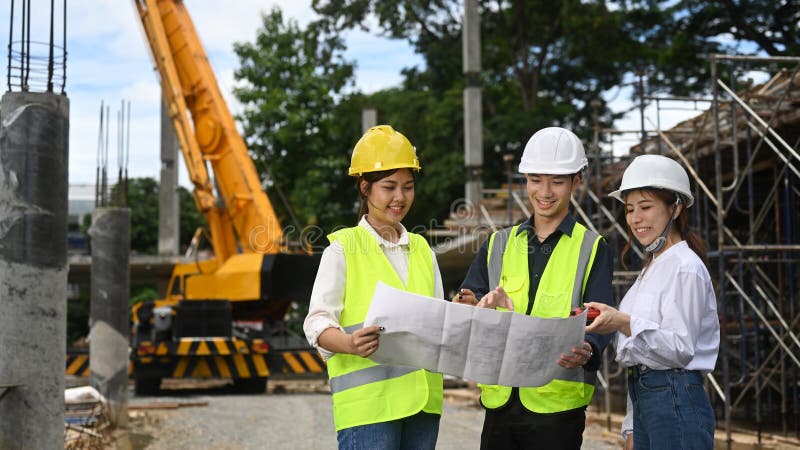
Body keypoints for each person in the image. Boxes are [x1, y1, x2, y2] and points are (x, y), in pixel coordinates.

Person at [455, 127, 615, 450]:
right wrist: (468, 304)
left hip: (557, 409)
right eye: (535, 180)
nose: (545, 191)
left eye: (557, 181)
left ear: (576, 181)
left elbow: (600, 318)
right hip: (500, 403)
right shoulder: (498, 244)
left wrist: (589, 347)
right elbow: (468, 303)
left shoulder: (592, 247)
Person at [303, 125, 444, 450]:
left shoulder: (423, 249)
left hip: (423, 405)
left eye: (408, 187)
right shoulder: (342, 249)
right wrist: (349, 343)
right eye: (389, 187)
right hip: (368, 410)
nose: (400, 197)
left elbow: (438, 321)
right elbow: (316, 323)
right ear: (365, 188)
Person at [584, 154, 720, 450]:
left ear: (676, 207)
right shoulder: (651, 269)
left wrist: (621, 321)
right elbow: (640, 358)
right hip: (646, 396)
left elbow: (680, 349)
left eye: (645, 207)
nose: (635, 218)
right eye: (629, 209)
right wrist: (632, 424)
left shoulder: (685, 267)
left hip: (675, 397)